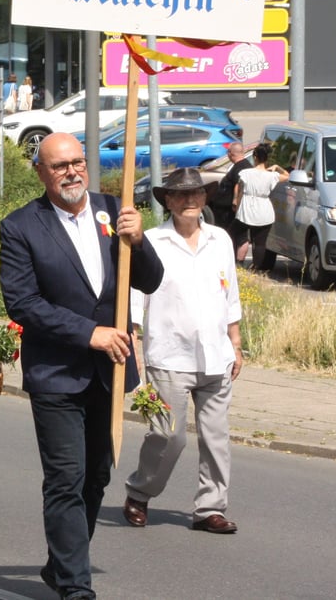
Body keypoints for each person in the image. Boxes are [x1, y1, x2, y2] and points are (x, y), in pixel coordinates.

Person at [0, 132, 164, 599]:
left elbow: (150, 280)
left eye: (77, 162)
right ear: (41, 173)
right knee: (66, 478)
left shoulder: (116, 209)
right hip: (57, 373)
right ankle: (76, 585)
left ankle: (60, 564)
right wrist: (88, 333)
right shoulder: (20, 226)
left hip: (110, 371)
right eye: (59, 165)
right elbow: (22, 303)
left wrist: (140, 239)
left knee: (97, 476)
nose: (71, 171)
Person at [123, 168, 243, 536]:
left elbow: (229, 291)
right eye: (181, 195)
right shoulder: (152, 242)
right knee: (169, 435)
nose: (190, 200)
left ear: (206, 198)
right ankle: (140, 492)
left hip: (215, 354)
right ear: (168, 201)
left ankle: (210, 508)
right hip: (169, 355)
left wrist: (235, 343)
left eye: (197, 194)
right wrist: (134, 346)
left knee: (216, 437)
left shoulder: (220, 239)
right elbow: (134, 297)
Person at [233, 142, 288, 270]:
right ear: (266, 158)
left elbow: (240, 191)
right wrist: (277, 167)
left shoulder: (245, 173)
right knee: (260, 243)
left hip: (247, 208)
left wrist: (237, 204)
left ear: (255, 157)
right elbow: (287, 175)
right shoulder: (271, 175)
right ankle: (256, 269)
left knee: (234, 233)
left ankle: (237, 263)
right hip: (264, 209)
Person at [208, 142, 251, 251]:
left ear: (231, 154)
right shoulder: (241, 165)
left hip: (229, 211)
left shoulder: (241, 167)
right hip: (224, 209)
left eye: (228, 152)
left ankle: (236, 261)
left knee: (234, 236)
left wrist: (235, 202)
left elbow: (239, 184)